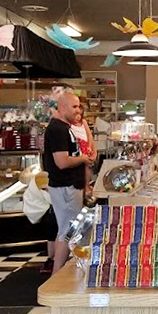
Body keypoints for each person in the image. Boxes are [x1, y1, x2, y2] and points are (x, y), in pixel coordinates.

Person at [43, 91, 93, 275]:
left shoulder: (65, 128)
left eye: (79, 106)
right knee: (69, 231)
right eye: (74, 106)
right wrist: (83, 159)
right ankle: (57, 276)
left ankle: (59, 272)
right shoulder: (57, 129)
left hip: (70, 186)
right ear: (62, 107)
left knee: (66, 229)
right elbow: (62, 162)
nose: (78, 110)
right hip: (65, 187)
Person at [71, 101, 97, 197]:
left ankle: (86, 186)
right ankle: (82, 187)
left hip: (85, 146)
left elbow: (89, 135)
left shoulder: (83, 122)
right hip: (76, 147)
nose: (78, 117)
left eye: (80, 115)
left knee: (88, 166)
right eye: (76, 114)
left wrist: (89, 147)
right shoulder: (69, 124)